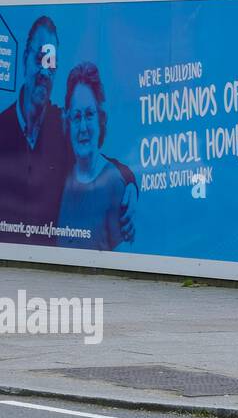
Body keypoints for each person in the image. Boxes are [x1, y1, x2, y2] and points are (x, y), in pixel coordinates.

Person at [0, 16, 136, 245]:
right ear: (24, 60)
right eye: (40, 59)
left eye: (51, 65)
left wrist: (130, 185)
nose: (45, 72)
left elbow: (99, 160)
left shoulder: (62, 126)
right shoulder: (2, 127)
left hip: (49, 258)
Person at [56, 63, 126, 251]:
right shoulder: (62, 179)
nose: (83, 128)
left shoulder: (114, 183)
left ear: (100, 118)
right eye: (77, 117)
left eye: (89, 115)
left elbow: (124, 257)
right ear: (68, 121)